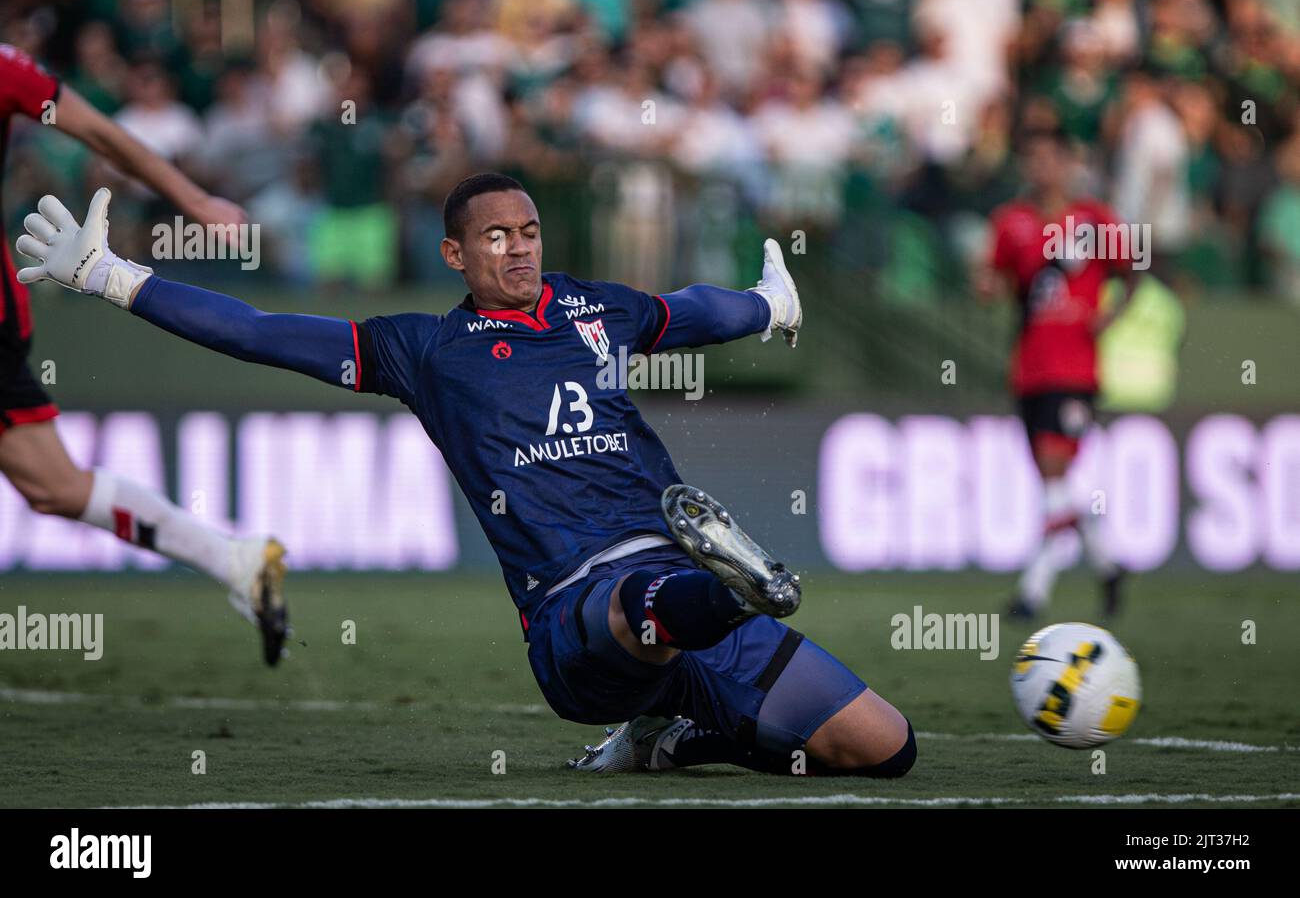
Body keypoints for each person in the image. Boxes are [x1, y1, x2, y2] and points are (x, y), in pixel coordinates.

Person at [15, 172, 917, 778]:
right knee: (653, 596)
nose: (519, 250)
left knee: (888, 750)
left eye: (528, 233)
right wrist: (111, 276)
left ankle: (674, 735)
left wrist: (768, 305)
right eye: (496, 237)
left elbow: (691, 313)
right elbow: (258, 330)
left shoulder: (594, 308)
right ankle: (736, 595)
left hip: (673, 575)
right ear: (456, 254)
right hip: (576, 611)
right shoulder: (426, 350)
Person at [0, 44, 287, 664]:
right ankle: (232, 559)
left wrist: (193, 200)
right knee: (53, 487)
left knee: (53, 483)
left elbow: (99, 130)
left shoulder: (4, 69)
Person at [977, 129, 1140, 619]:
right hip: (1029, 367)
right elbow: (996, 278)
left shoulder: (1094, 218)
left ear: (1069, 163)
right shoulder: (1012, 221)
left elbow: (1133, 271)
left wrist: (1111, 314)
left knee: (1053, 470)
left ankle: (1033, 591)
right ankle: (1107, 565)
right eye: (1033, 159)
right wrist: (985, 284)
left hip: (1075, 368)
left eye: (1051, 159)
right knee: (1056, 482)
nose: (1042, 168)